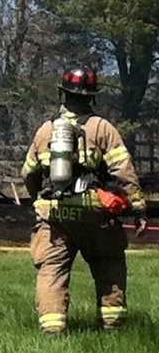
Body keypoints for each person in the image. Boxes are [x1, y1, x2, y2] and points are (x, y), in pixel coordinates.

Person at [21, 66, 148, 335]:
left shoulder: (45, 130)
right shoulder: (102, 128)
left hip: (55, 215)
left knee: (52, 271)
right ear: (92, 97)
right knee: (108, 266)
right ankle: (112, 328)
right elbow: (124, 171)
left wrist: (38, 200)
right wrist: (138, 208)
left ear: (62, 94)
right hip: (93, 213)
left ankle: (53, 331)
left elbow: (29, 173)